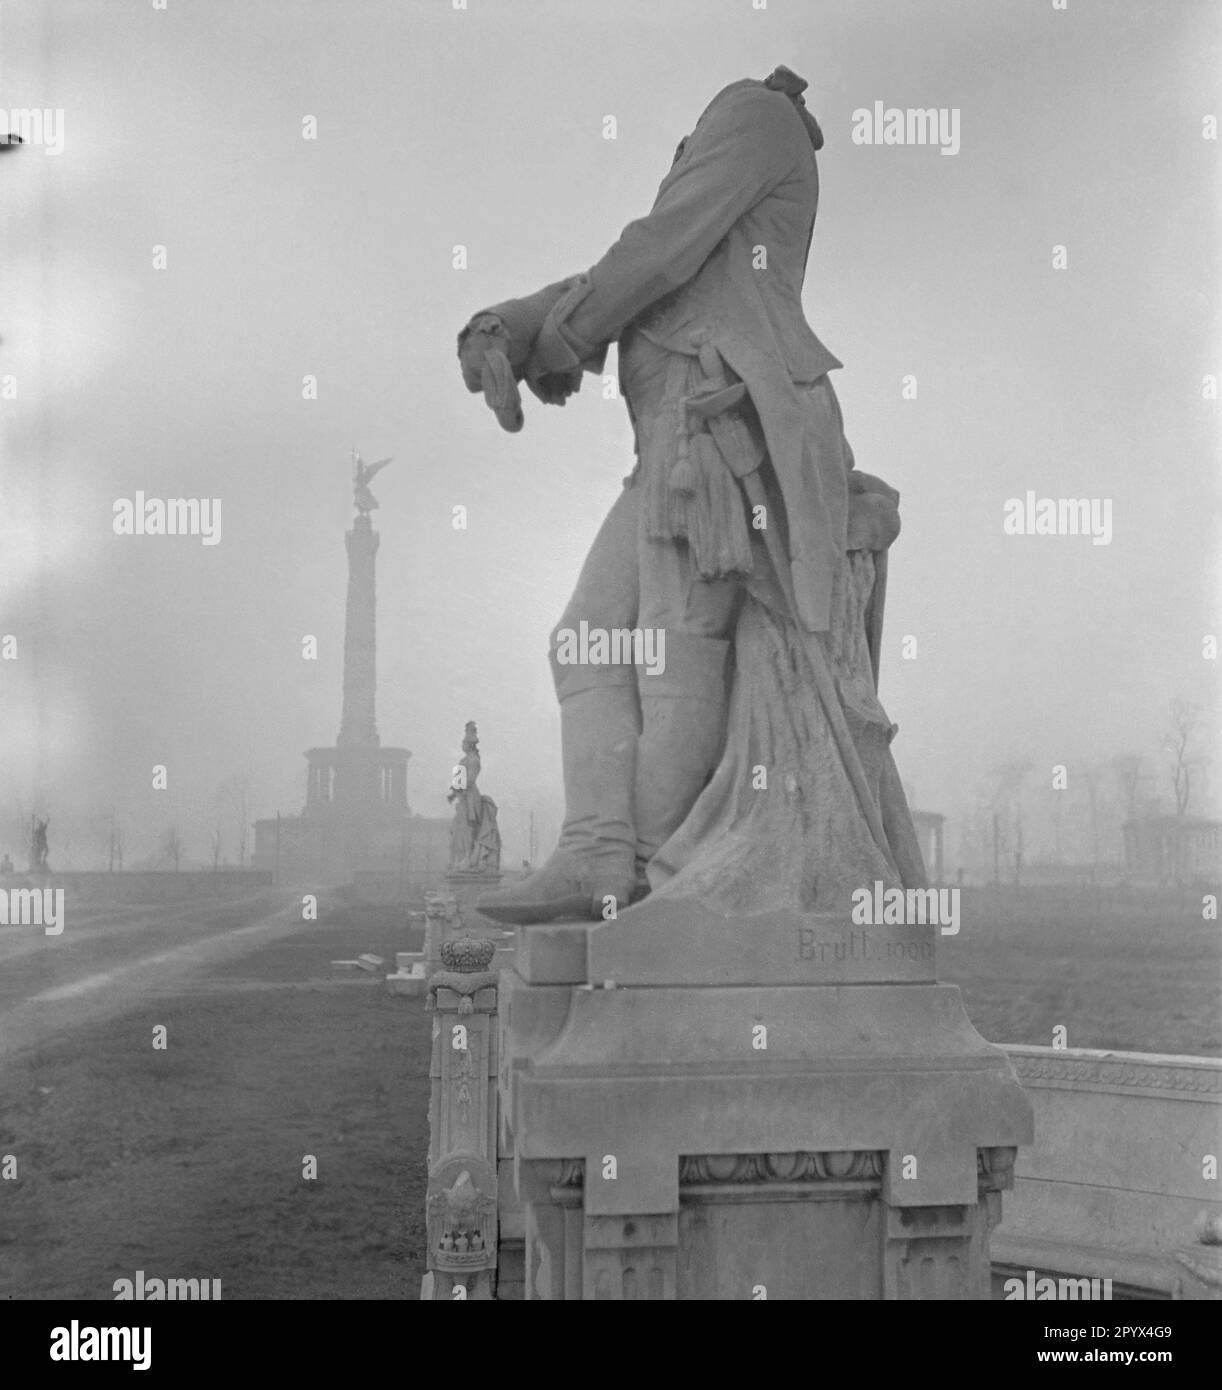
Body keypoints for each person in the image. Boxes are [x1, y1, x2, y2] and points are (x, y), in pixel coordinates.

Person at [459, 66, 924, 925]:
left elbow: (659, 250)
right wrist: (507, 327)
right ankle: (596, 854)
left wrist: (554, 338)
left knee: (676, 652)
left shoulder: (754, 116)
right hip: (672, 439)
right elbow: (645, 264)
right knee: (583, 643)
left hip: (721, 436)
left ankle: (644, 877)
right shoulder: (731, 125)